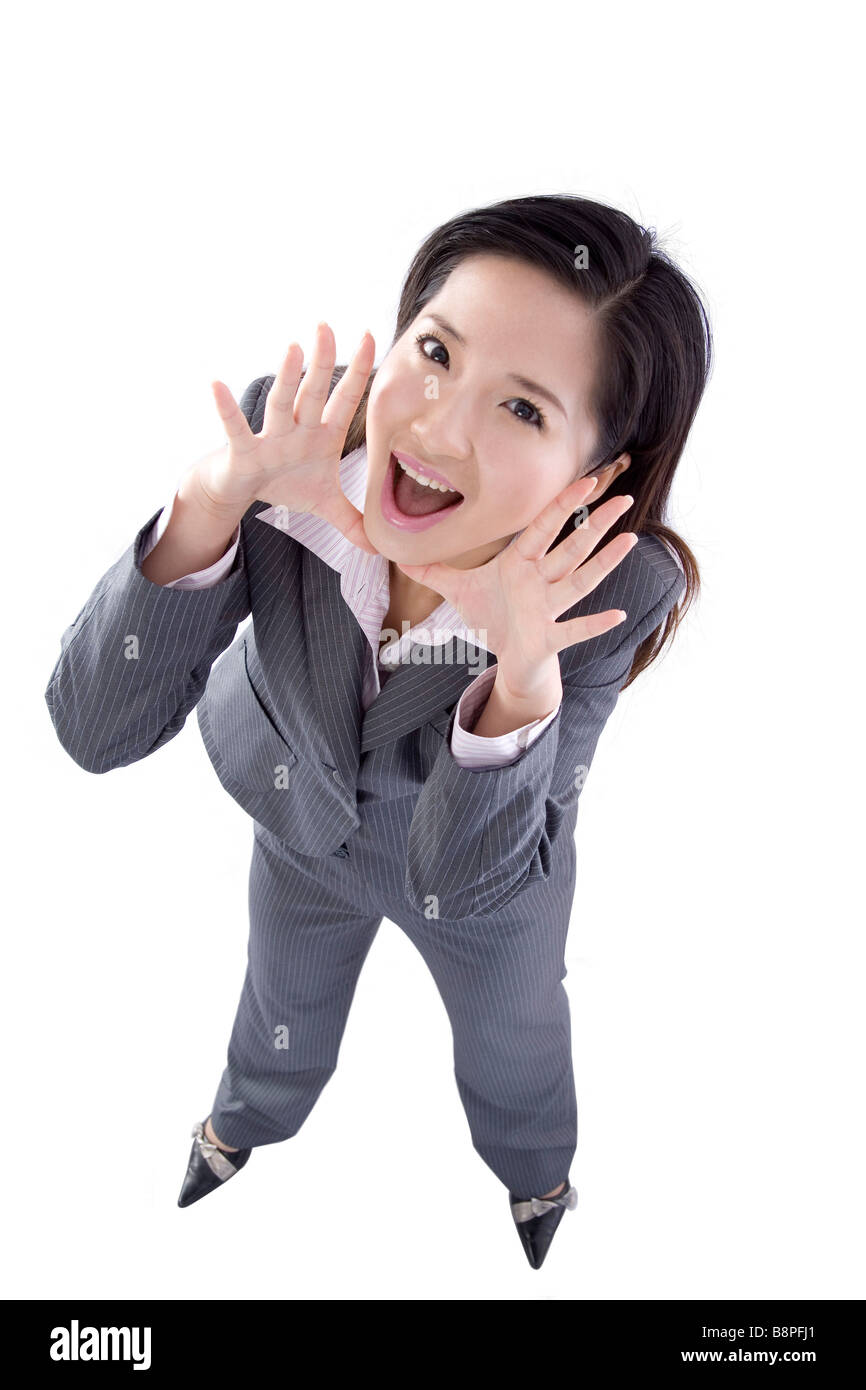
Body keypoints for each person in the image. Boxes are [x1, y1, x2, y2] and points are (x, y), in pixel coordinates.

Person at [44, 193, 711, 1270]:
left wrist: (518, 671)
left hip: (486, 877)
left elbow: (470, 866)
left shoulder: (609, 590)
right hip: (299, 823)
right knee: (280, 1000)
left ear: (598, 474)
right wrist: (217, 499)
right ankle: (240, 1127)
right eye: (436, 351)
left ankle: (535, 1173)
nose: (438, 427)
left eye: (525, 410)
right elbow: (92, 729)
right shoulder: (293, 443)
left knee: (514, 1039)